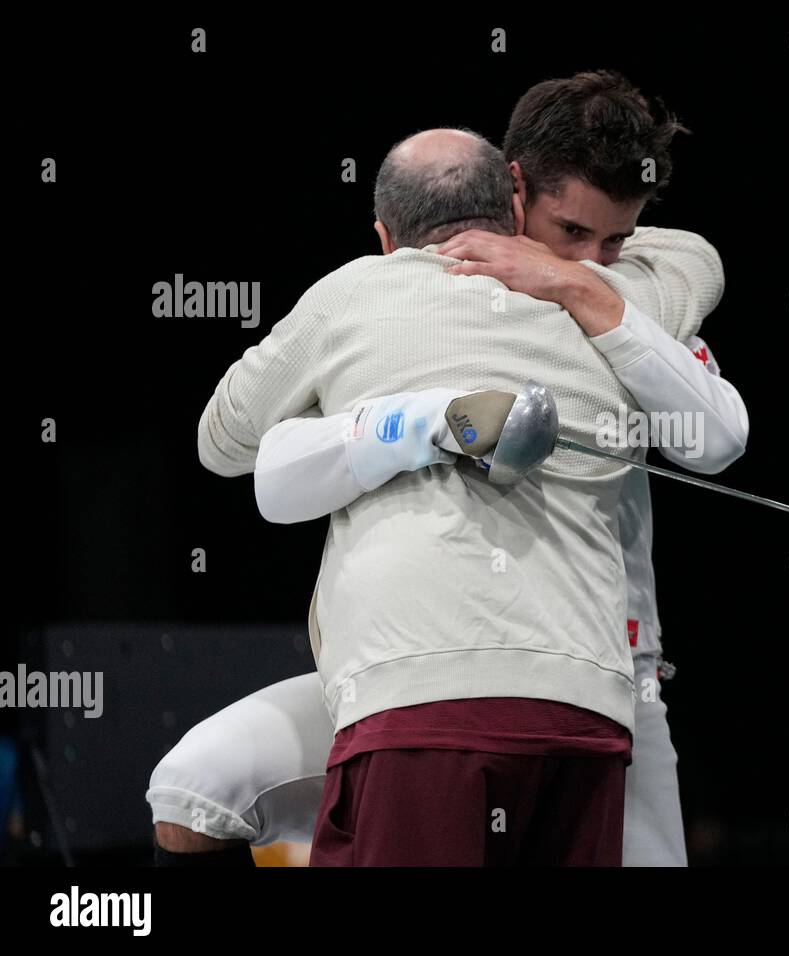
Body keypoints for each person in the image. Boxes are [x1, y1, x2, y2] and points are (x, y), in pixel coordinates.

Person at [150, 71, 746, 866]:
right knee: (196, 783)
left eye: (617, 241)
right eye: (572, 232)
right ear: (512, 187)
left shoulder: (631, 294)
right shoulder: (381, 296)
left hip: (608, 668)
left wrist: (573, 282)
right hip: (408, 667)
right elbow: (247, 455)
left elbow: (717, 433)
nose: (596, 257)